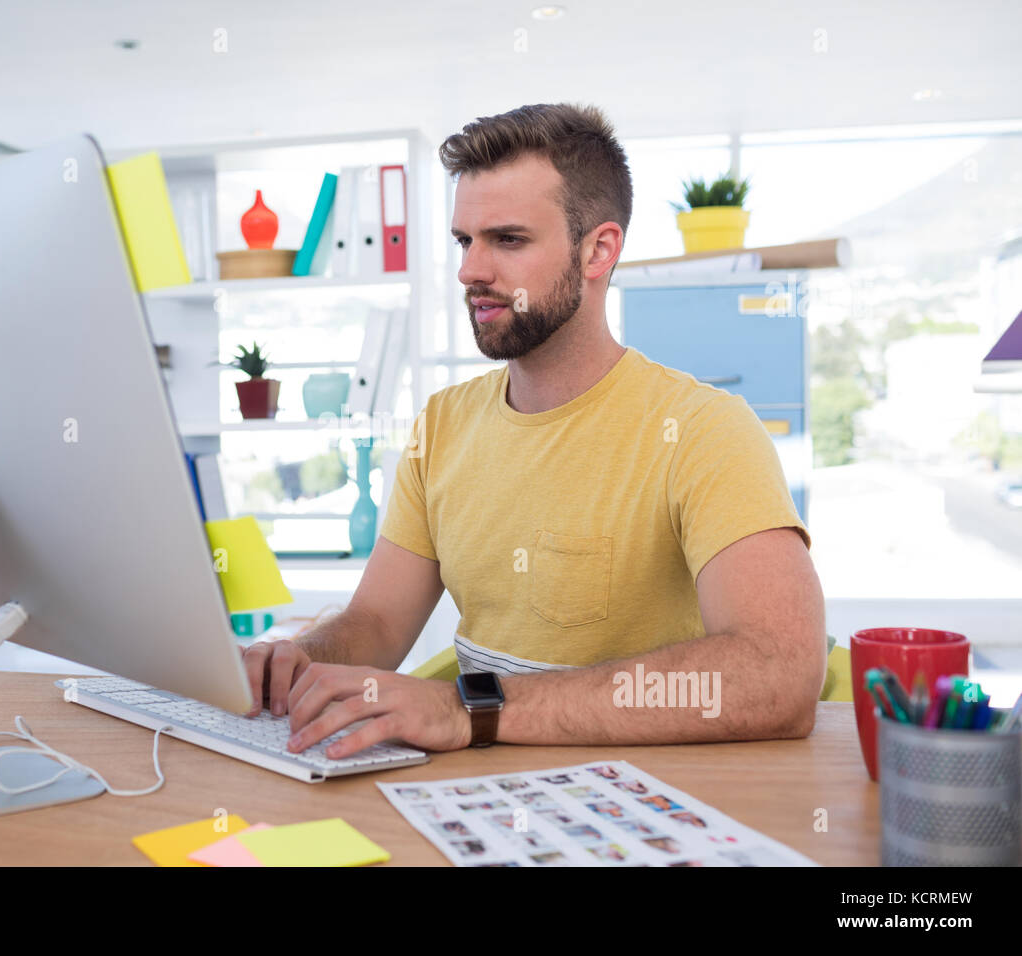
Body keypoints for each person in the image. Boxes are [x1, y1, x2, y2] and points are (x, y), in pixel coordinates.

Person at [240, 102, 826, 758]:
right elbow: (376, 624)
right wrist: (295, 659)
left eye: (508, 240)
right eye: (466, 241)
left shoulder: (703, 432)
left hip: (637, 812)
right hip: (469, 806)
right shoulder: (444, 424)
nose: (470, 271)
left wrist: (473, 710)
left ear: (598, 250)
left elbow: (779, 673)